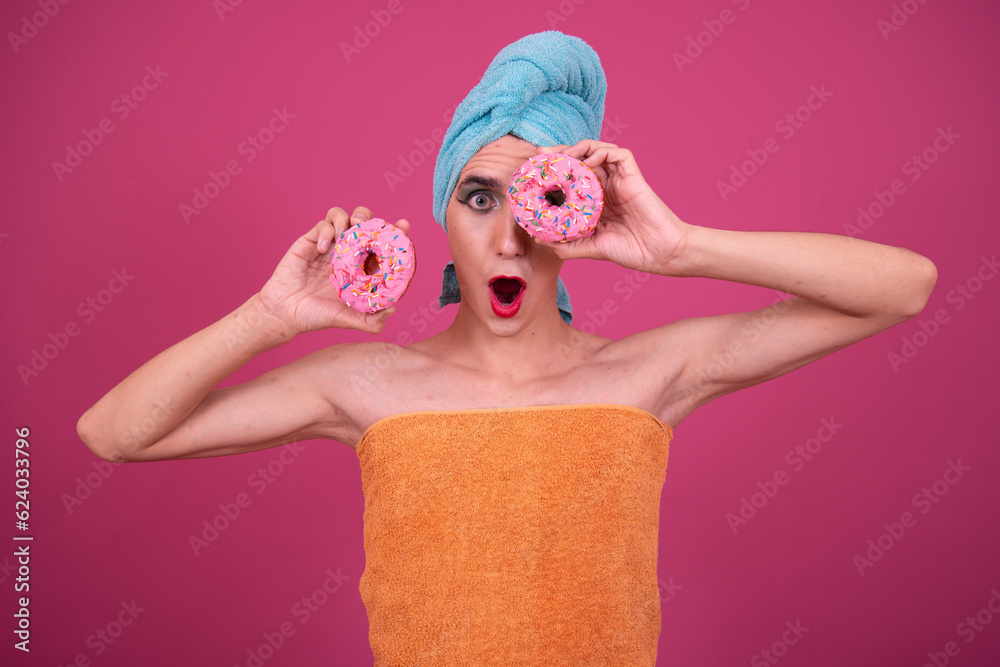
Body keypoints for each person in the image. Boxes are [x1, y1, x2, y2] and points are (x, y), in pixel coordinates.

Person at [77, 31, 936, 665]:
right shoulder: (366, 384)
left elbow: (906, 286)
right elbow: (115, 431)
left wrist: (685, 249)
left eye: (539, 198)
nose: (510, 240)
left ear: (579, 212)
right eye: (481, 198)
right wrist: (270, 313)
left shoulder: (646, 373)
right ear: (445, 214)